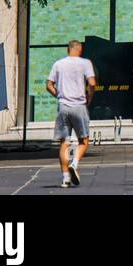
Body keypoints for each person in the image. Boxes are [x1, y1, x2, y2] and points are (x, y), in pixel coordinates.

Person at [46, 40, 96, 188]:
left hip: (63, 107)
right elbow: (92, 83)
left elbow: (49, 84)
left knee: (64, 143)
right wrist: (89, 98)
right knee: (84, 141)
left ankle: (65, 178)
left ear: (68, 49)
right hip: (79, 106)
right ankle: (74, 163)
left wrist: (59, 95)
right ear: (80, 50)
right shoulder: (85, 63)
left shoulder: (58, 64)